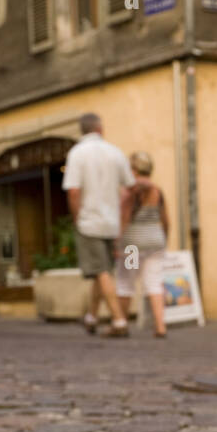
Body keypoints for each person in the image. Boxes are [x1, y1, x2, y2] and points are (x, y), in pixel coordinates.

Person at [63, 113, 133, 337]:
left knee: (101, 270)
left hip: (90, 221)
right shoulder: (116, 152)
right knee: (101, 270)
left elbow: (74, 191)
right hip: (111, 221)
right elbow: (128, 188)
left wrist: (77, 218)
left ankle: (119, 321)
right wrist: (121, 218)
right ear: (100, 129)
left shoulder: (77, 154)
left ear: (82, 130)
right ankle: (91, 317)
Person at [116, 151, 169, 338]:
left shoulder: (129, 191)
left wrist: (117, 243)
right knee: (154, 284)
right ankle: (160, 326)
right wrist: (165, 239)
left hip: (133, 246)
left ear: (135, 169)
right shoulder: (158, 190)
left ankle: (120, 322)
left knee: (125, 282)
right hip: (155, 242)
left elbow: (123, 218)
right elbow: (165, 219)